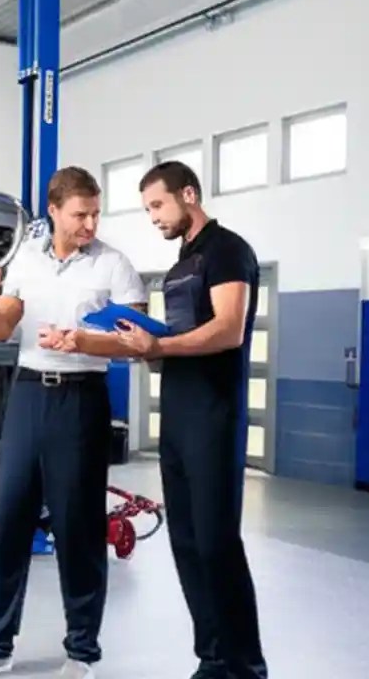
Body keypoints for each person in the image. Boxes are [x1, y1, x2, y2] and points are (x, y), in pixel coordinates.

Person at [0, 166, 148, 679]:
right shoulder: (27, 260)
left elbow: (134, 343)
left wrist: (82, 341)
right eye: (80, 214)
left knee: (79, 528)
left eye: (95, 213)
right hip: (27, 396)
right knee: (11, 519)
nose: (90, 223)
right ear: (54, 210)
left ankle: (81, 651)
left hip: (82, 402)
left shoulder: (114, 266)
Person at [113, 160, 268, 679]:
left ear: (189, 194)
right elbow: (177, 343)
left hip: (213, 416)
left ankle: (246, 666)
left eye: (158, 205)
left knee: (218, 541)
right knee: (186, 541)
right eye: (148, 209)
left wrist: (160, 344)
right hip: (177, 418)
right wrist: (147, 348)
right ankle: (213, 657)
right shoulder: (182, 263)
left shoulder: (228, 251)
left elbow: (228, 330)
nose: (153, 217)